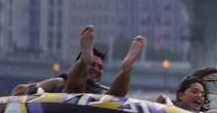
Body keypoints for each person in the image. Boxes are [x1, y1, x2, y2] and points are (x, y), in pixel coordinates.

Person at [12, 25, 146, 98]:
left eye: (100, 67)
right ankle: (85, 60)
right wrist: (35, 89)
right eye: (92, 65)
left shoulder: (101, 90)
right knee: (75, 89)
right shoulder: (59, 81)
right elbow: (20, 90)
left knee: (115, 95)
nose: (97, 69)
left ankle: (127, 68)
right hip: (64, 107)